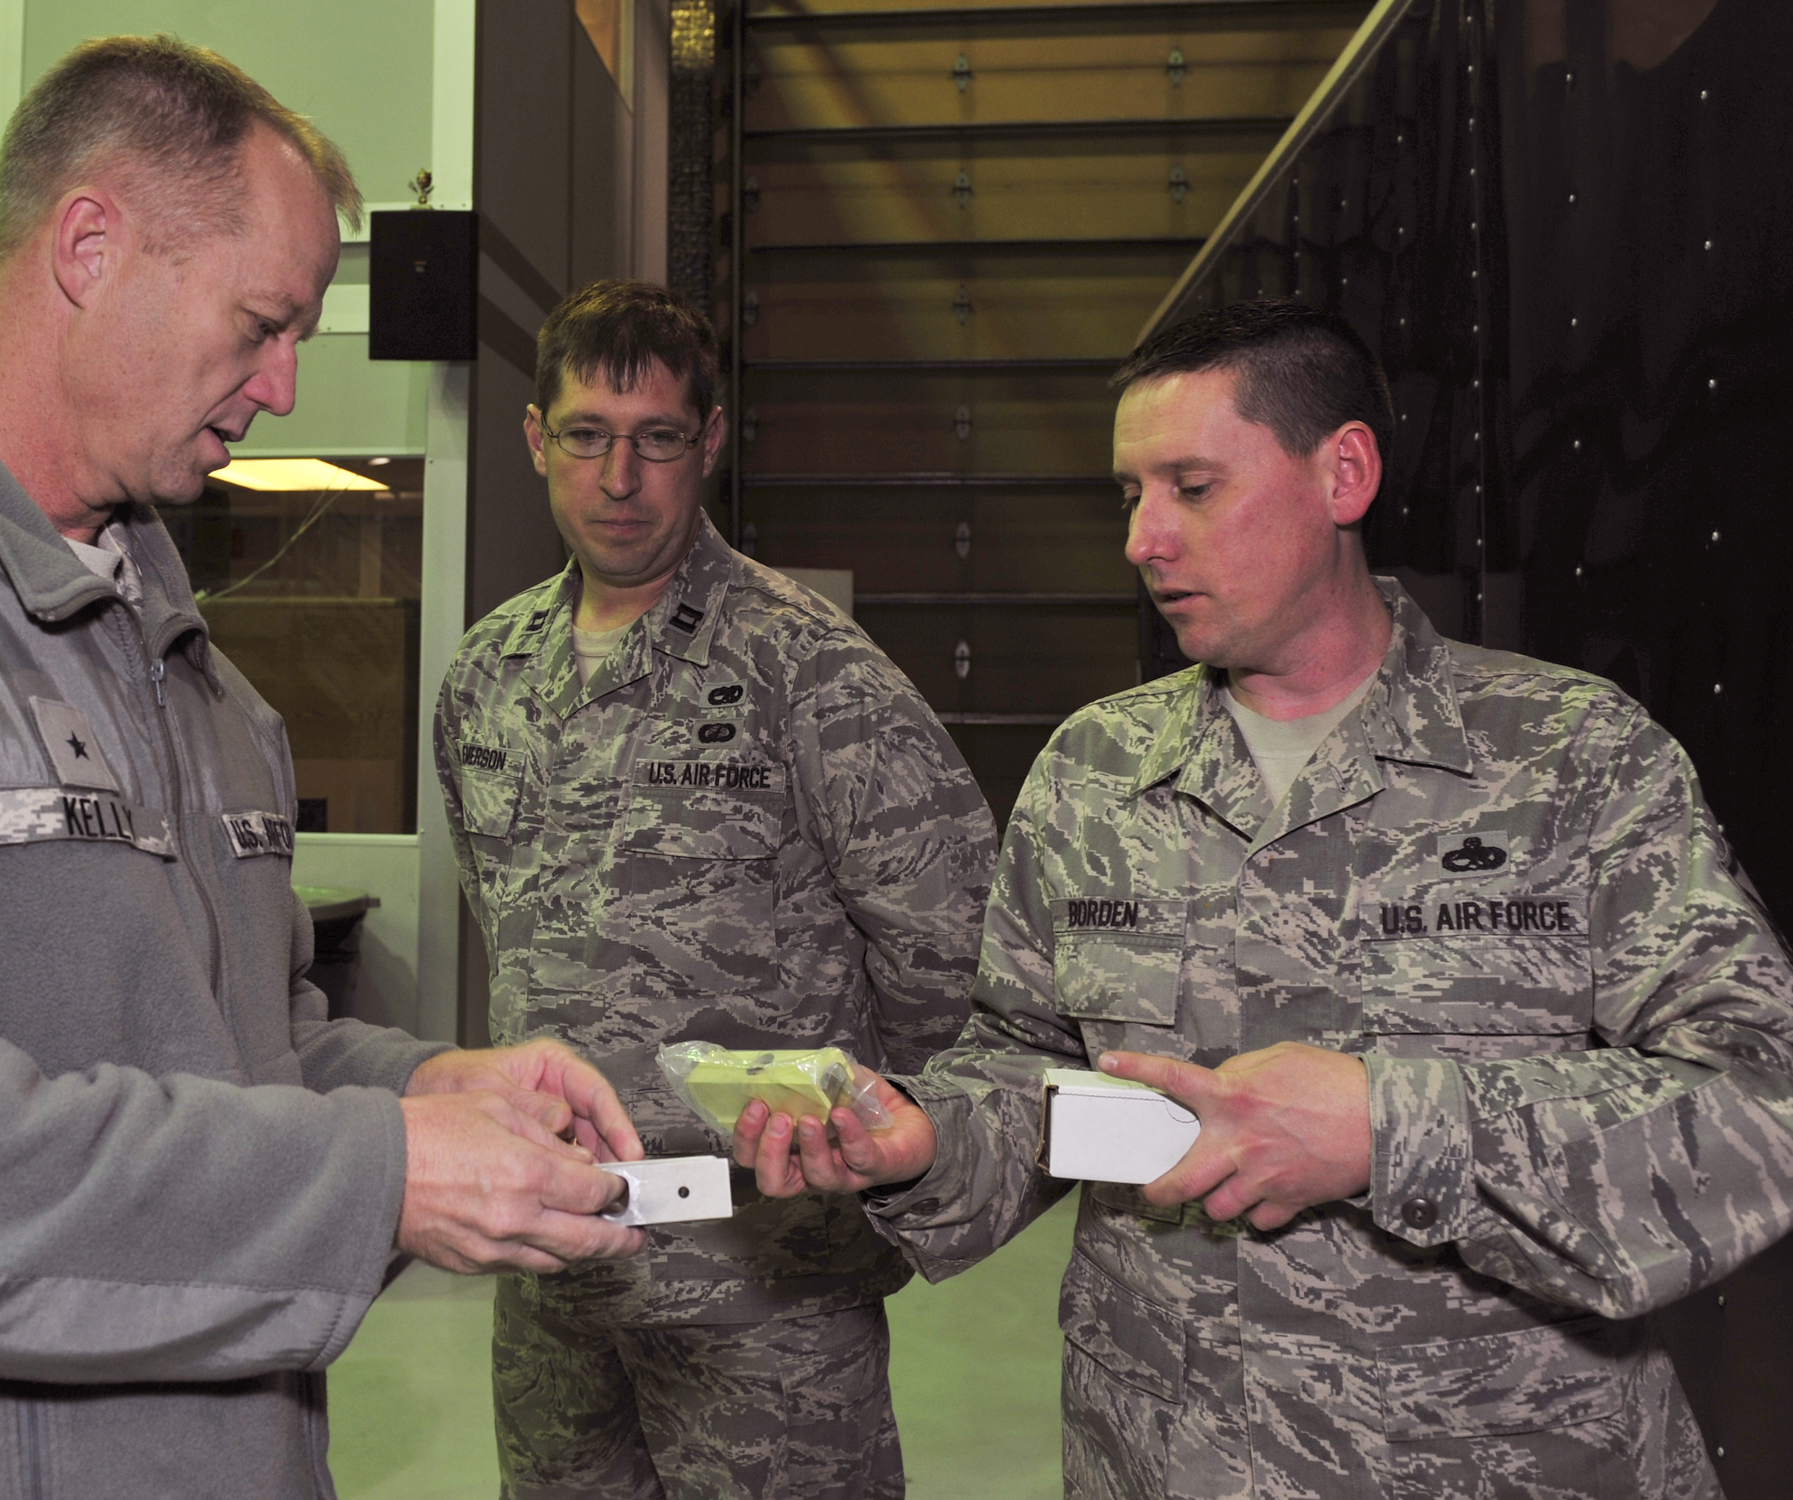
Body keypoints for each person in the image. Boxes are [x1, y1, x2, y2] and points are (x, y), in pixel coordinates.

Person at [0, 37, 645, 1499]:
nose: (279, 389)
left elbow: (232, 1049)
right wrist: (377, 1174)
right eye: (263, 324)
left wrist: (435, 1088)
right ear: (89, 246)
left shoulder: (191, 673)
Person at [735, 299, 1793, 1498]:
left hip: (1510, 1462)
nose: (1143, 539)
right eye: (1129, 495)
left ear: (1342, 474)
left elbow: (1759, 1097)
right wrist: (927, 1143)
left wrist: (1390, 1129)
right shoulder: (1097, 772)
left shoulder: (1570, 757)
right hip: (1167, 1460)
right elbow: (1032, 1073)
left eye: (1192, 487)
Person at [434, 279, 997, 1498]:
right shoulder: (485, 676)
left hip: (767, 1289)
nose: (619, 477)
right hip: (558, 1261)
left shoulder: (810, 670)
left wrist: (867, 1153)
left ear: (712, 442)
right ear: (537, 439)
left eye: (657, 439)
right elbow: (509, 922)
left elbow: (948, 956)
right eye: (585, 435)